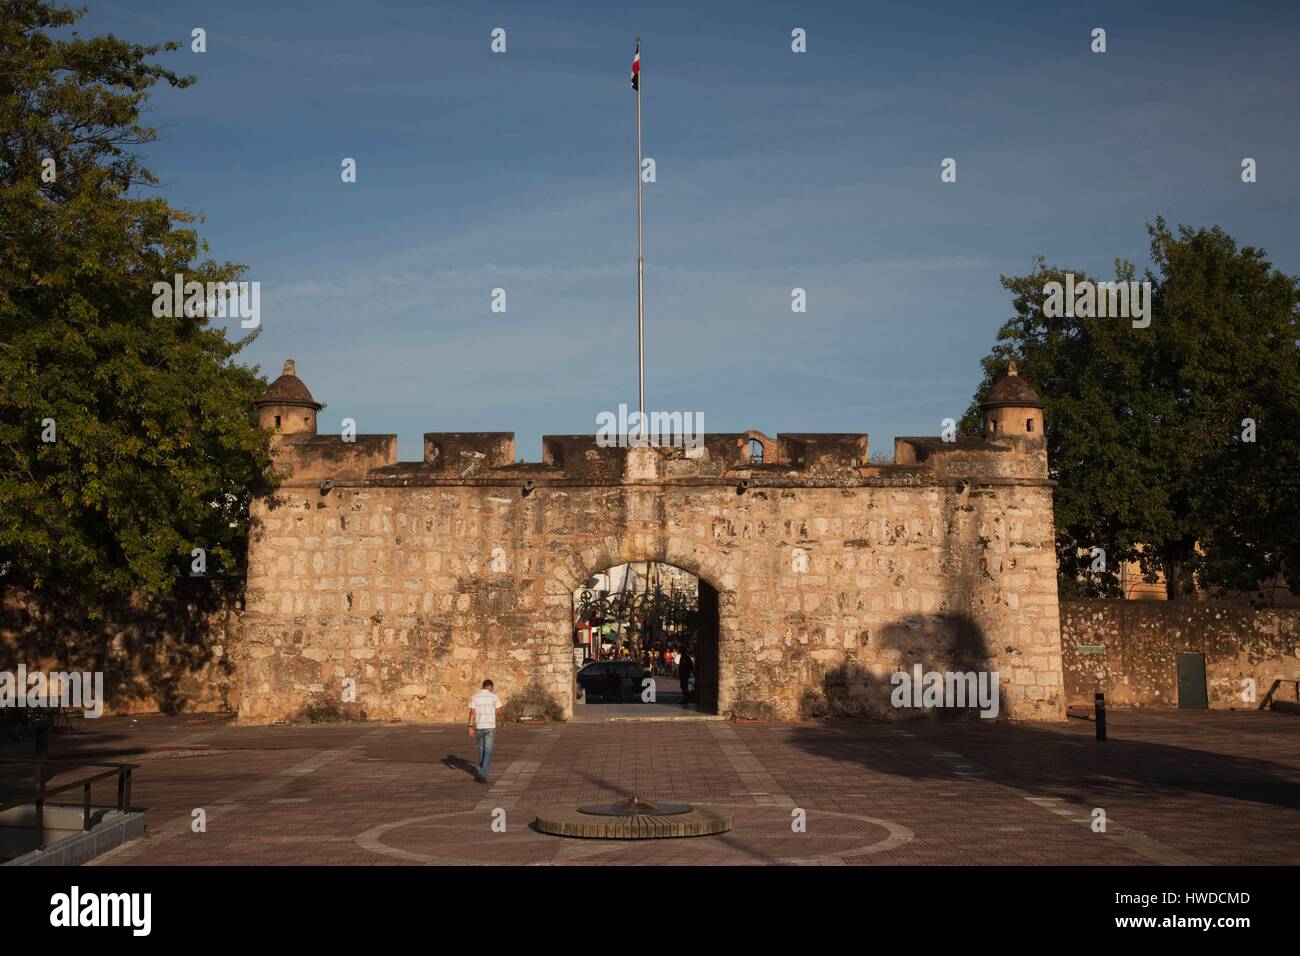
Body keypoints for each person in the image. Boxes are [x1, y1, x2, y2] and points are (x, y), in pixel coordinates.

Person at [467, 679, 504, 784]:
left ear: (483, 686)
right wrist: (503, 722)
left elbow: (472, 712)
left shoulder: (475, 697)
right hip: (490, 727)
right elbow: (500, 711)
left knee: (481, 749)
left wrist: (470, 726)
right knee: (488, 750)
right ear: (491, 687)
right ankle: (482, 773)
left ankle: (482, 769)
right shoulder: (494, 696)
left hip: (479, 726)